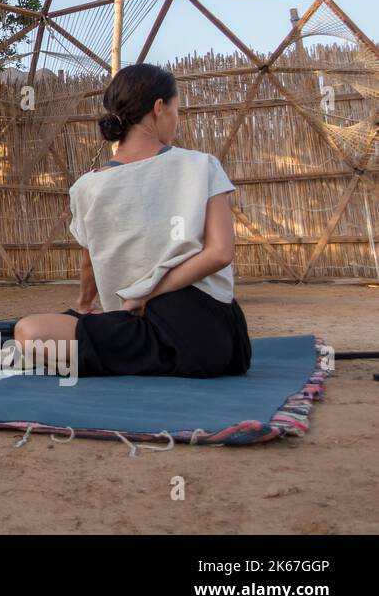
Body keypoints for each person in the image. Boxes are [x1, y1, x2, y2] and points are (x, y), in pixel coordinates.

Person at [13, 63, 252, 378]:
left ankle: (114, 353)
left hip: (142, 323)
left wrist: (90, 305)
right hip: (222, 344)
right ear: (158, 108)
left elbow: (90, 262)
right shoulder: (200, 166)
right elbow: (220, 252)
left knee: (29, 332)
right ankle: (125, 354)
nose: (175, 121)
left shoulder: (87, 187)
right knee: (79, 334)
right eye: (176, 110)